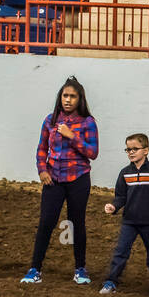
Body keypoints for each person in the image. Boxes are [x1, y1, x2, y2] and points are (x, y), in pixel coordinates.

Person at [22, 76, 99, 285]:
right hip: (53, 179)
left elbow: (93, 152)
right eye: (65, 95)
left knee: (77, 224)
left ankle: (80, 268)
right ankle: (35, 268)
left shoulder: (88, 122)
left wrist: (72, 136)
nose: (68, 99)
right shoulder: (50, 120)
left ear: (79, 99)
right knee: (46, 222)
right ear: (60, 97)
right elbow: (41, 148)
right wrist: (42, 170)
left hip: (78, 179)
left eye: (72, 96)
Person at [99, 134, 149, 294]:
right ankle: (111, 281)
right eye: (128, 149)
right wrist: (114, 207)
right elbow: (121, 196)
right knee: (121, 251)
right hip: (129, 221)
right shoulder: (125, 173)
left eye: (135, 149)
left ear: (146, 150)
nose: (131, 152)